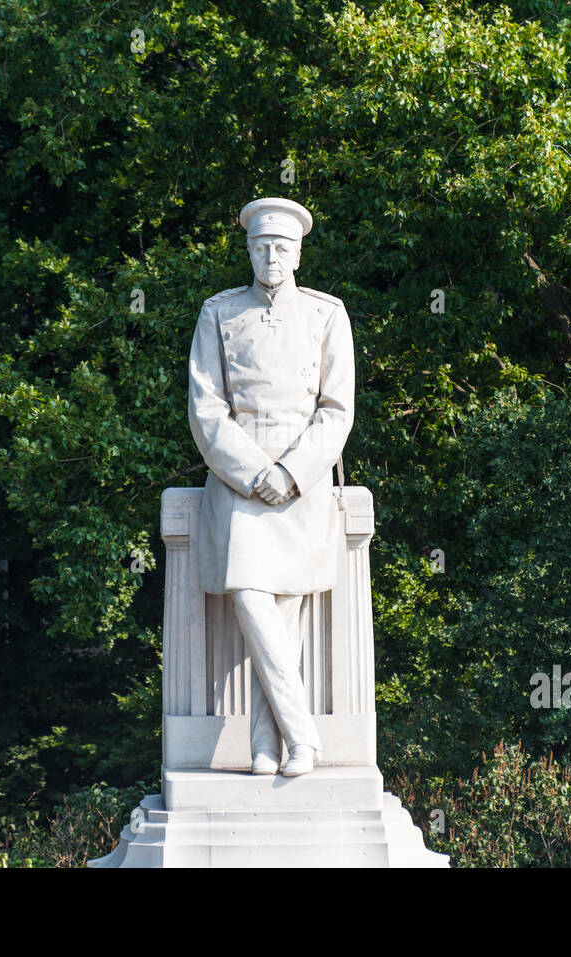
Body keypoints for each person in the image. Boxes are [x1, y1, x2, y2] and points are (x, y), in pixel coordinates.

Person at [187, 197, 355, 776]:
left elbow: (336, 410)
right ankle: (303, 736)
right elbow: (206, 410)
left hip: (302, 481)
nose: (271, 257)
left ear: (299, 254)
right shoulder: (219, 312)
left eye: (281, 248)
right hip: (239, 482)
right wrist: (257, 473)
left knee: (284, 613)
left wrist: (290, 472)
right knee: (252, 599)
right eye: (261, 247)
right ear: (249, 251)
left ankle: (266, 746)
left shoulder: (327, 315)